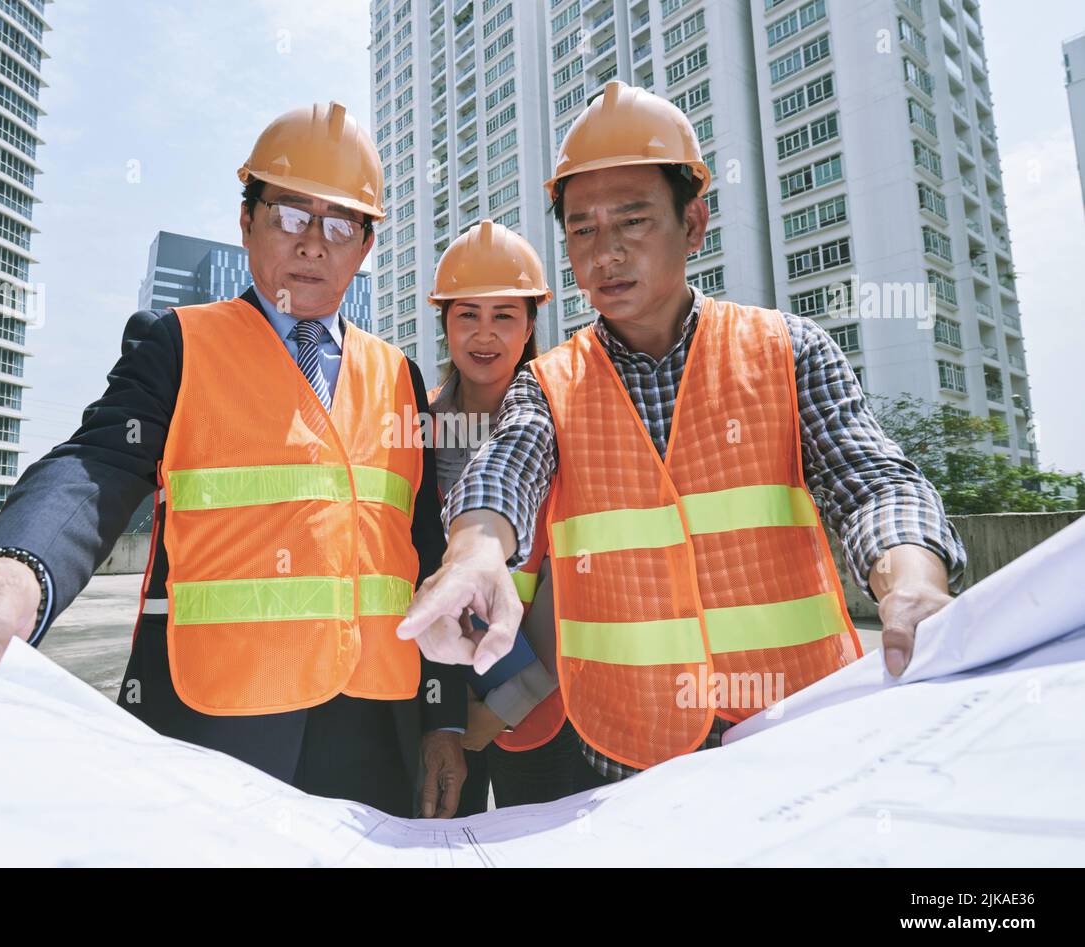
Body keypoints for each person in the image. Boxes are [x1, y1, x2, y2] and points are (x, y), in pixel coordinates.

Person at [399, 81, 967, 784]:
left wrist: (909, 582)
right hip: (627, 759)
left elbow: (874, 480)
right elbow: (505, 467)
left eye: (632, 221)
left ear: (693, 224)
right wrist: (475, 557)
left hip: (799, 738)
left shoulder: (788, 351)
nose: (605, 253)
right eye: (582, 229)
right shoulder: (549, 383)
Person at [0, 101, 467, 818]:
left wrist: (445, 720)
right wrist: (22, 566)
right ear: (246, 221)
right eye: (288, 214)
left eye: (340, 223)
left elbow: (427, 550)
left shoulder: (398, 374)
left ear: (365, 247)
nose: (313, 243)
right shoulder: (178, 344)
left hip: (376, 727)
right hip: (216, 724)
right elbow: (98, 464)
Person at [425, 220, 592, 813]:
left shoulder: (565, 427)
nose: (485, 335)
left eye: (505, 315)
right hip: (440, 706)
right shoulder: (418, 430)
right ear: (445, 322)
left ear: (529, 327)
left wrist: (496, 711)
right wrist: (445, 714)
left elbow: (575, 582)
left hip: (545, 709)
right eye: (467, 314)